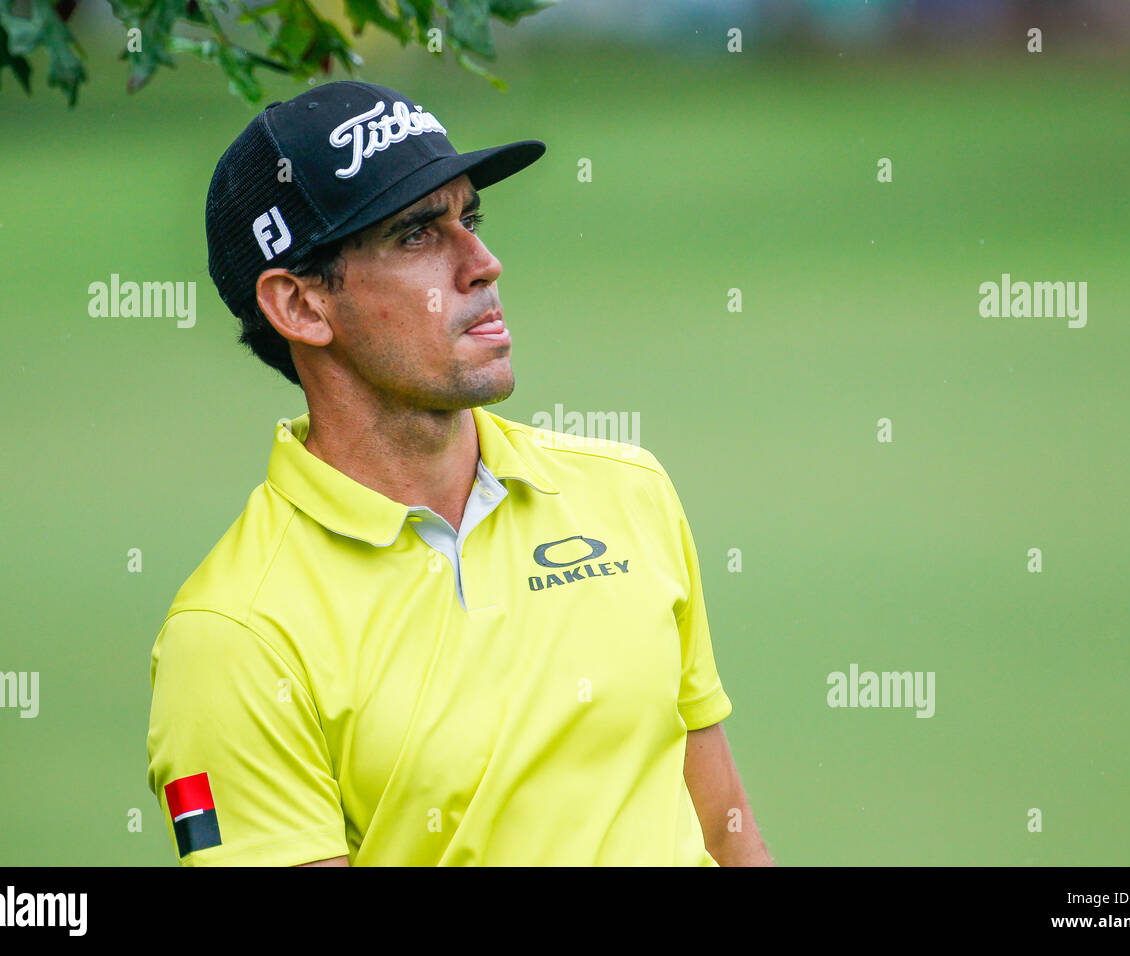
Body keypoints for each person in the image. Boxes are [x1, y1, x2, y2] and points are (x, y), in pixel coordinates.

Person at [146, 80, 772, 866]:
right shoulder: (234, 638)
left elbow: (724, 831)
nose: (483, 263)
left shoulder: (629, 491)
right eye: (417, 234)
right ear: (302, 306)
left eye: (468, 218)